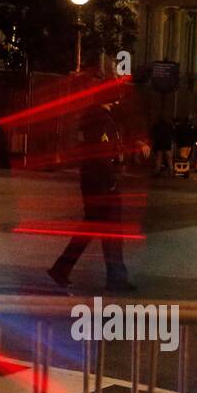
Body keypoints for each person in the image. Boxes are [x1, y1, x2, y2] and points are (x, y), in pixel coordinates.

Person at [47, 94, 136, 292]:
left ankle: (62, 269)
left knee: (91, 229)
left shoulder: (91, 119)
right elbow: (102, 153)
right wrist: (111, 181)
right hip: (102, 184)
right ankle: (115, 278)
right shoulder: (103, 121)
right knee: (112, 231)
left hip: (92, 181)